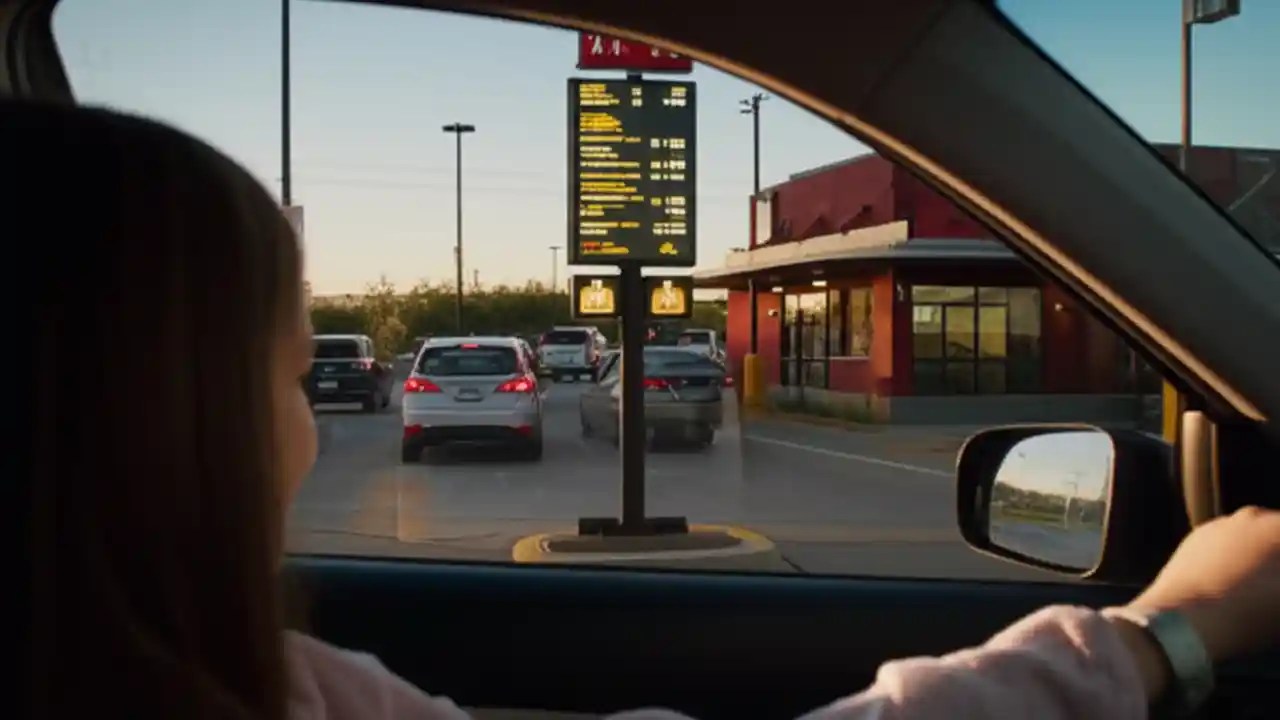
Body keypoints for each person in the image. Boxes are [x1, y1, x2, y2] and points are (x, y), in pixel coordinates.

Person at [17, 100, 1280, 720]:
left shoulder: (274, 680)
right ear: (160, 426)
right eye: (293, 374)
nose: (307, 419)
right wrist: (1161, 632)